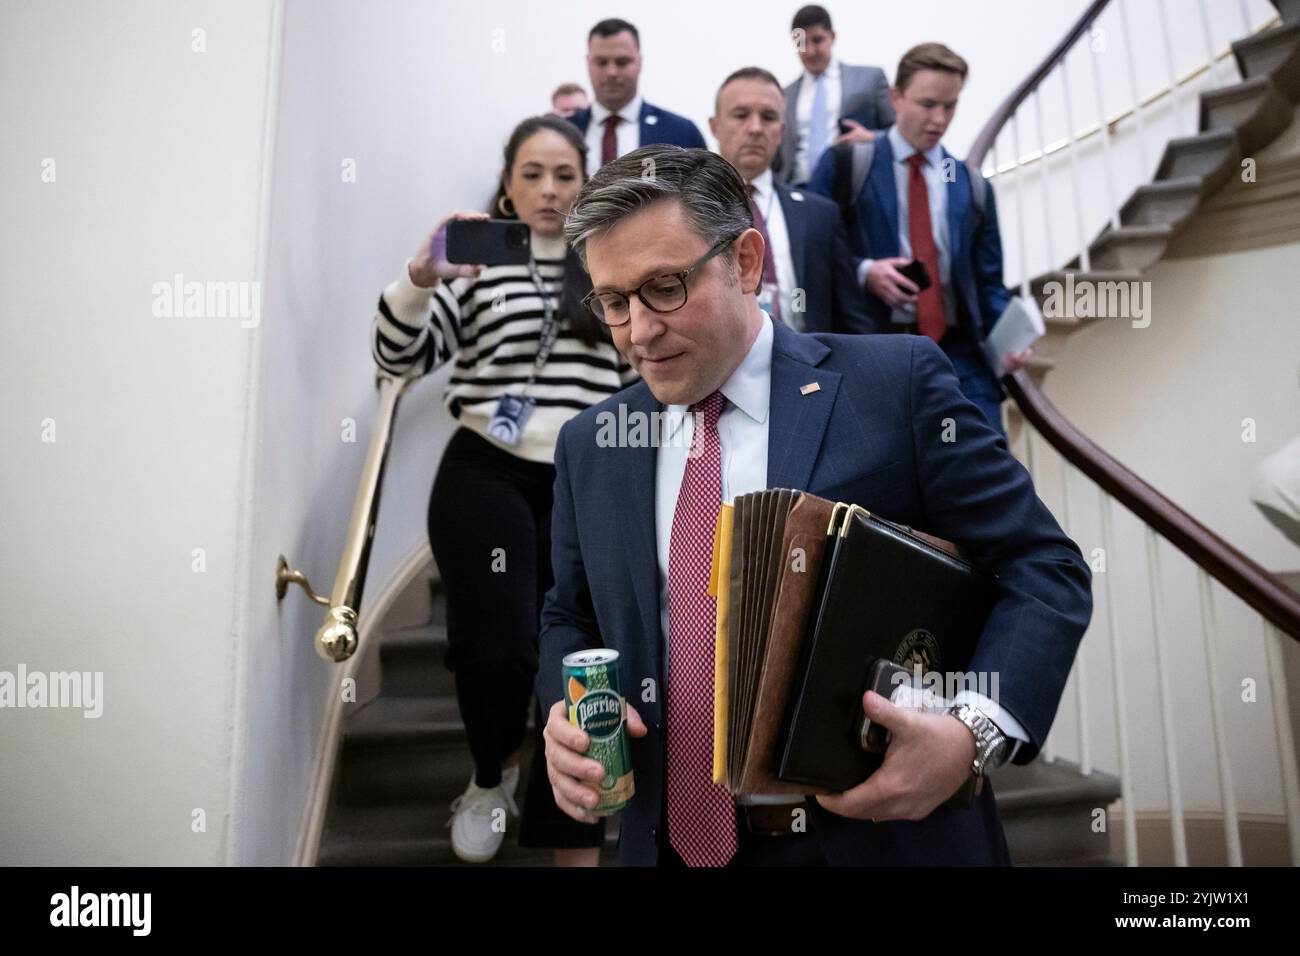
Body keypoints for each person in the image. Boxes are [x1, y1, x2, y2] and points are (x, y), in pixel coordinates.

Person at [536, 145, 1093, 866]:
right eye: (614, 302)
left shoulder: (895, 386)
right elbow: (570, 613)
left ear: (744, 261)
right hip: (667, 846)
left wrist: (968, 736)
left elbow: (1043, 566)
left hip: (881, 844)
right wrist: (565, 719)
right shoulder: (592, 443)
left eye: (665, 287)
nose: (639, 331)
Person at [370, 115, 636, 866]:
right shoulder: (479, 262)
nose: (550, 190)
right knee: (497, 648)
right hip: (485, 469)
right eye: (532, 174)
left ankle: (567, 829)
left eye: (565, 174)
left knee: (578, 661)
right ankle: (491, 776)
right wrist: (419, 277)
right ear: (509, 187)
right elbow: (397, 358)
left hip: (586, 483)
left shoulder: (609, 260)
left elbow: (644, 375)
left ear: (586, 184)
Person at [808, 42, 1032, 437]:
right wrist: (864, 272)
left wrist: (1010, 335)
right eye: (928, 104)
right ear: (895, 98)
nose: (940, 119)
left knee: (986, 481)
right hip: (872, 353)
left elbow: (987, 283)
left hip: (959, 360)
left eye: (950, 106)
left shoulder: (971, 186)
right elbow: (812, 249)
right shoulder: (847, 164)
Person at [710, 66, 871, 334]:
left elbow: (852, 319)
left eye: (768, 117)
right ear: (714, 127)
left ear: (782, 131)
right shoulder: (686, 213)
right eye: (741, 115)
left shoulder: (820, 215)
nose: (755, 128)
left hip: (807, 370)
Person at [565, 18, 705, 175]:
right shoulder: (563, 134)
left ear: (639, 62)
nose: (612, 72)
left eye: (622, 62)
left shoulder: (680, 133)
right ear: (588, 63)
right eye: (602, 62)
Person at [776, 4, 895, 187]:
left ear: (832, 37)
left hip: (854, 188)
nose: (809, 50)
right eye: (801, 42)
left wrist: (871, 137)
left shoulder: (870, 80)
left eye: (817, 40)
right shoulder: (784, 96)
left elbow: (899, 133)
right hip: (798, 191)